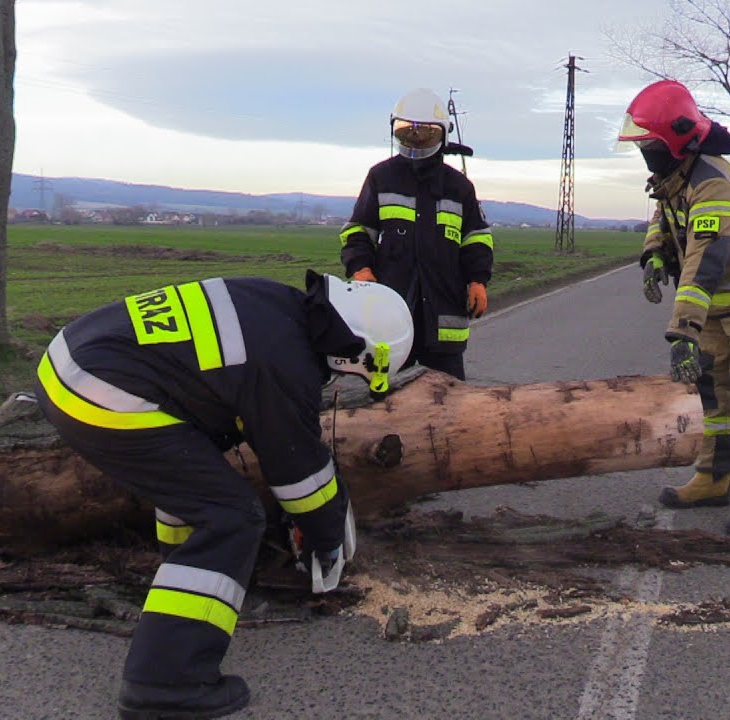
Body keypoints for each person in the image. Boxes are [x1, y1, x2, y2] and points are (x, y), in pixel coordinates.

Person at [33, 271, 413, 719]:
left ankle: (184, 588)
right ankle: (165, 684)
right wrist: (328, 536)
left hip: (68, 362)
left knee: (196, 482)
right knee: (231, 517)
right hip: (101, 391)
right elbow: (298, 472)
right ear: (363, 355)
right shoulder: (285, 360)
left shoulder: (276, 301)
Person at [617, 79, 730, 535]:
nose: (646, 153)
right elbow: (665, 216)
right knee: (711, 394)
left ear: (676, 140)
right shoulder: (676, 178)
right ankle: (715, 477)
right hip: (723, 309)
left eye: (650, 144)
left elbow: (706, 261)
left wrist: (682, 332)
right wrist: (654, 254)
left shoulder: (713, 185)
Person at [339, 87, 494, 381]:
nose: (415, 139)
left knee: (449, 402)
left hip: (444, 317)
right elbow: (358, 231)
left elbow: (476, 239)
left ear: (442, 134)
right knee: (386, 402)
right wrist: (361, 268)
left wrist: (478, 280)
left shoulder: (459, 187)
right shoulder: (381, 177)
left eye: (424, 133)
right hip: (391, 318)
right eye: (407, 132)